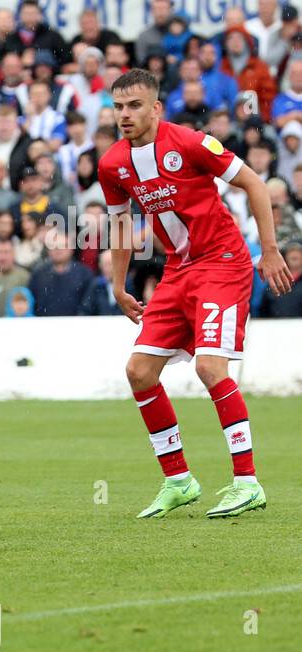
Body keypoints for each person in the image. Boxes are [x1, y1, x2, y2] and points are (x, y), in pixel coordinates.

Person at [100, 69, 293, 519]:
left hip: (222, 262)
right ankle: (179, 480)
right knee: (139, 371)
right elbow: (122, 224)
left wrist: (268, 250)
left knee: (209, 366)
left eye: (134, 106)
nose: (125, 115)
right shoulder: (113, 164)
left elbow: (254, 184)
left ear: (156, 108)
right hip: (177, 271)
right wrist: (118, 283)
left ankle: (247, 482)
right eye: (118, 107)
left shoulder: (189, 142)